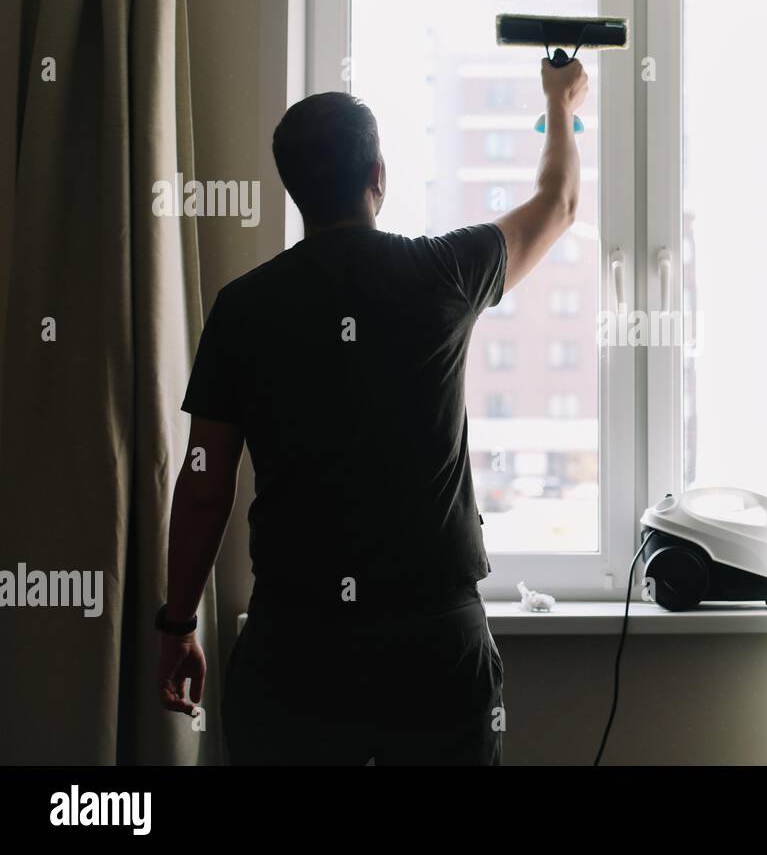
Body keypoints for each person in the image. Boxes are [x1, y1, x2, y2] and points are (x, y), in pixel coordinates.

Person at [154, 57, 589, 764]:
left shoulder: (243, 308)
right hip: (432, 640)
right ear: (378, 176)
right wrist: (561, 102)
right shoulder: (443, 274)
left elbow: (204, 487)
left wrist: (176, 627)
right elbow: (559, 203)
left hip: (295, 645)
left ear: (294, 190)